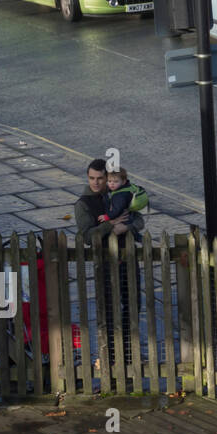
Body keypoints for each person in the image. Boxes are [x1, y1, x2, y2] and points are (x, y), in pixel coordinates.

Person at [73, 158, 144, 376]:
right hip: (104, 264)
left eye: (100, 178)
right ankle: (109, 358)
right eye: (92, 178)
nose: (96, 183)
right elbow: (87, 236)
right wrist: (109, 225)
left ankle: (129, 353)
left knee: (133, 306)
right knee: (109, 311)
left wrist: (126, 226)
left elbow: (140, 220)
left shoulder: (120, 194)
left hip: (127, 258)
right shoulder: (83, 204)